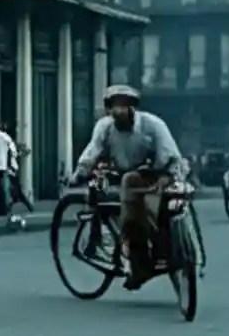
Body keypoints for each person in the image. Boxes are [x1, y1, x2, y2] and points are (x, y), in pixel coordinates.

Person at [73, 85, 184, 290]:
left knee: (143, 209)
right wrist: (81, 171)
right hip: (120, 174)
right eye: (115, 107)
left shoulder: (152, 125)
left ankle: (144, 252)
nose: (120, 111)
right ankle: (96, 235)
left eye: (125, 106)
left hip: (160, 174)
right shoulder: (105, 127)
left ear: (133, 108)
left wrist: (152, 170)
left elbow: (167, 156)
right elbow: (93, 150)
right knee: (95, 187)